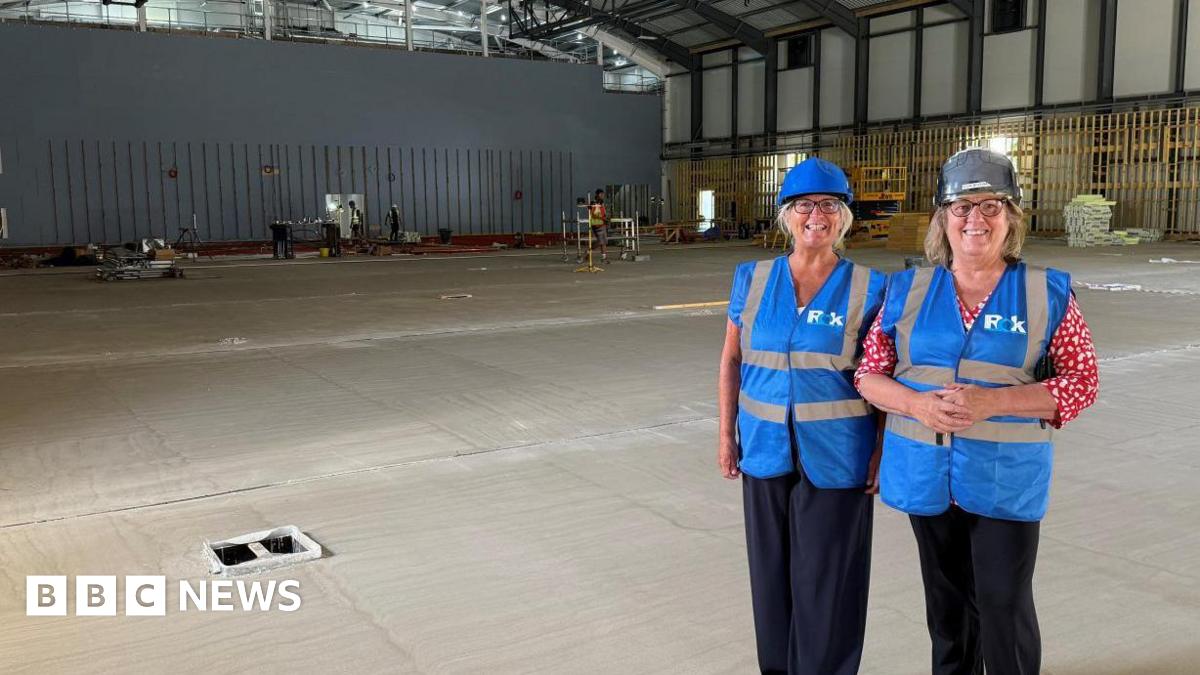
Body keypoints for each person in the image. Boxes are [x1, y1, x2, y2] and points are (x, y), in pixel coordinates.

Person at [855, 148, 1099, 675]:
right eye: (962, 207)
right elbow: (869, 373)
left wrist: (995, 401)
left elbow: (1081, 382)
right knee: (946, 615)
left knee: (1003, 608)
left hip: (1005, 479)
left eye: (991, 206)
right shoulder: (906, 290)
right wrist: (916, 403)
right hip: (927, 476)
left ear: (1011, 218)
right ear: (942, 218)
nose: (976, 220)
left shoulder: (1045, 291)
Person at [718, 157, 888, 675]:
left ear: (845, 217)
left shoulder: (871, 286)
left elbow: (884, 375)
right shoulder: (751, 278)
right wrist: (726, 434)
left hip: (839, 457)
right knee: (770, 580)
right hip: (764, 451)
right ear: (785, 215)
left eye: (829, 205)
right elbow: (732, 359)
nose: (817, 215)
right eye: (804, 205)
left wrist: (882, 451)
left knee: (829, 583)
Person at [588, 189, 610, 264]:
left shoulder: (601, 202)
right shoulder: (594, 203)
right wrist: (604, 219)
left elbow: (602, 212)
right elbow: (594, 214)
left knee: (603, 242)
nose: (603, 196)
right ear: (597, 194)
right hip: (597, 224)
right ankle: (588, 252)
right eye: (601, 194)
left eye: (603, 194)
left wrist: (605, 219)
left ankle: (604, 257)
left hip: (602, 223)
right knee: (600, 241)